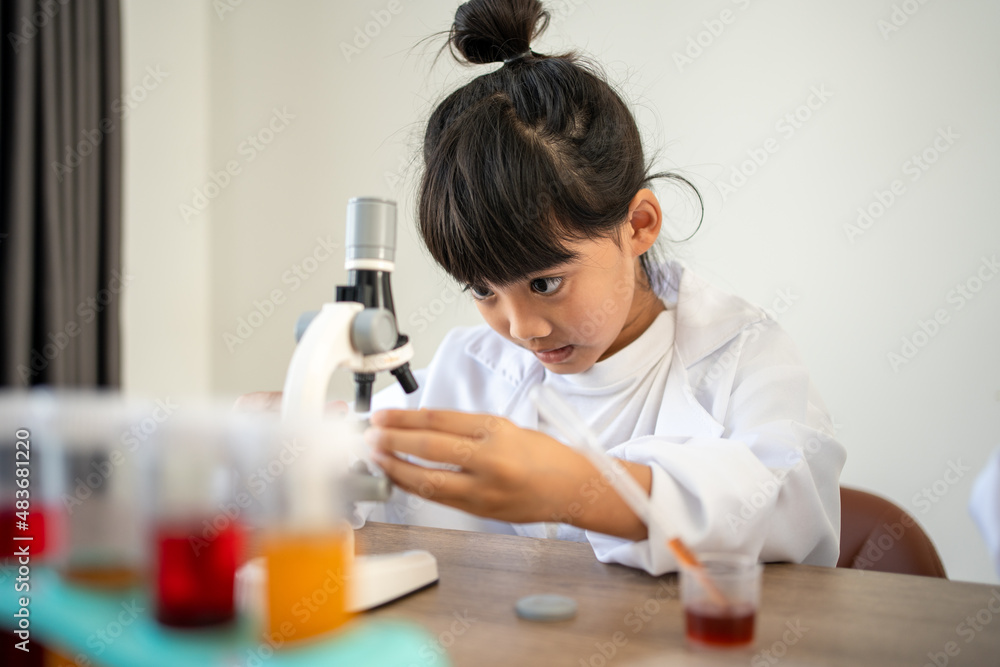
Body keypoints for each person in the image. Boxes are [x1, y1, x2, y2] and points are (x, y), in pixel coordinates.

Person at [240, 0, 845, 576]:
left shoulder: (741, 356)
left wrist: (576, 489)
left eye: (546, 282)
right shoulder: (469, 372)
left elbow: (789, 503)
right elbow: (361, 482)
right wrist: (294, 449)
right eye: (482, 290)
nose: (521, 327)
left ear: (638, 225)